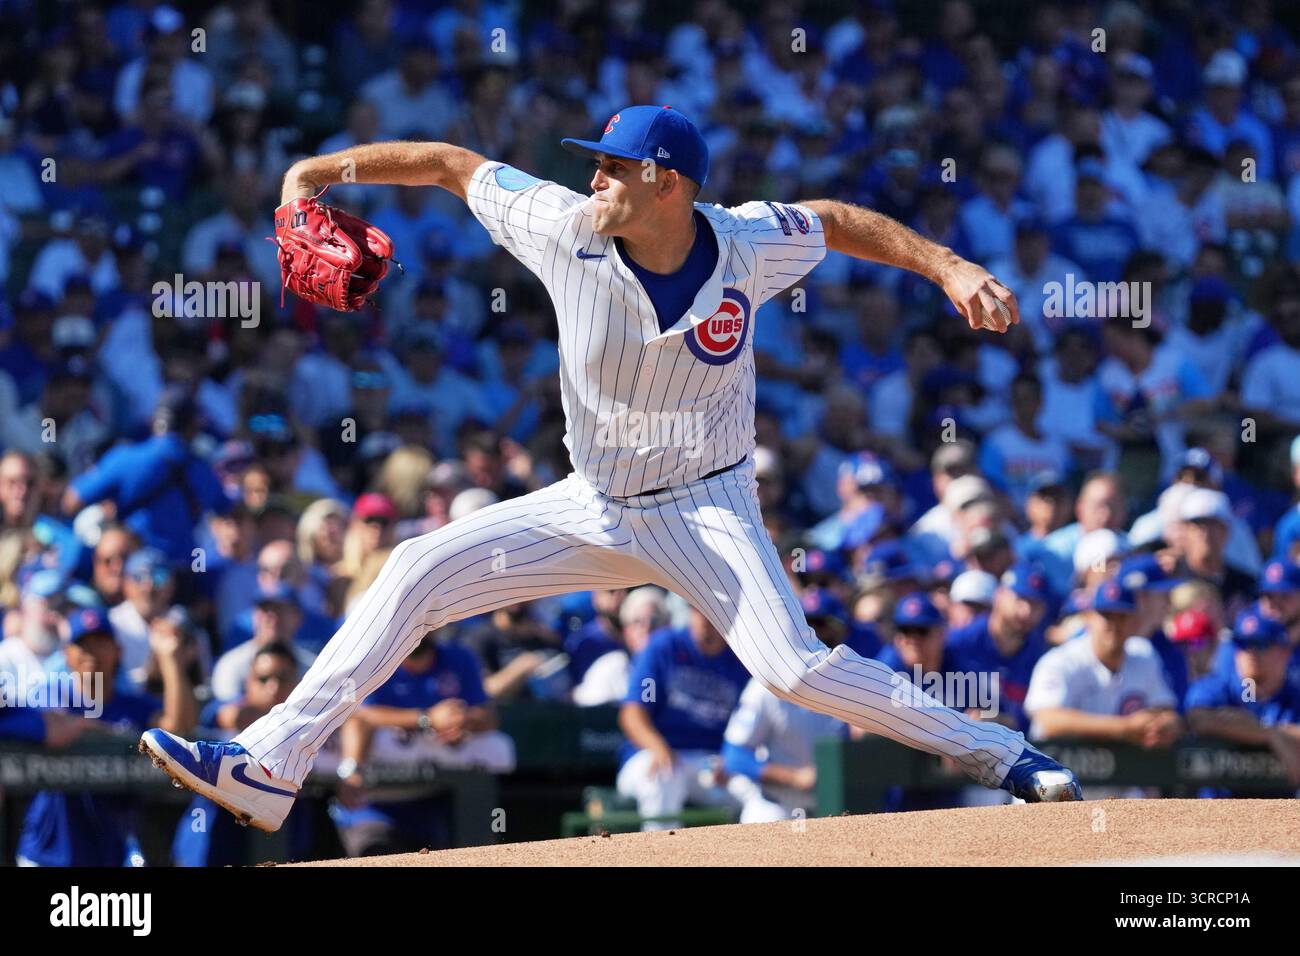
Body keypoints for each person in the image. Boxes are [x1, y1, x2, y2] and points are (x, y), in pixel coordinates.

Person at [141, 104, 1081, 833]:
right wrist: (314, 173)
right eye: (593, 160)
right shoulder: (564, 225)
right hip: (591, 504)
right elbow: (448, 164)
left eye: (613, 164)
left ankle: (1002, 756)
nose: (592, 175)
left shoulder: (747, 244)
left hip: (707, 507)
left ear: (668, 183)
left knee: (793, 669)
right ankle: (269, 764)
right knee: (415, 567)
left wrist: (950, 266)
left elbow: (836, 221)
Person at [17, 608, 196, 866]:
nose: (91, 653)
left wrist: (170, 660)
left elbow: (179, 732)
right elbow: (58, 726)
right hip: (49, 851)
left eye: (100, 643)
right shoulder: (51, 693)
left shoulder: (132, 704)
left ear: (117, 651)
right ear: (67, 654)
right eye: (83, 645)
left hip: (111, 850)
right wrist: (127, 737)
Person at [1024, 578, 1183, 762]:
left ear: (1134, 620)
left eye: (1121, 616)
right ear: (1089, 617)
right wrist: (1123, 728)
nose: (1114, 625)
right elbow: (1049, 720)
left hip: (1120, 780)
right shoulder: (1060, 661)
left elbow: (1164, 709)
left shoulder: (1143, 654)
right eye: (1106, 615)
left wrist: (1166, 725)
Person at [1185, 605, 1300, 788]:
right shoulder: (1218, 687)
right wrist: (1271, 735)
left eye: (1260, 644)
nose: (1250, 654)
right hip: (1217, 810)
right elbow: (1198, 719)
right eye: (1243, 645)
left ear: (1284, 652)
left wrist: (1251, 728)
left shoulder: (1293, 693)